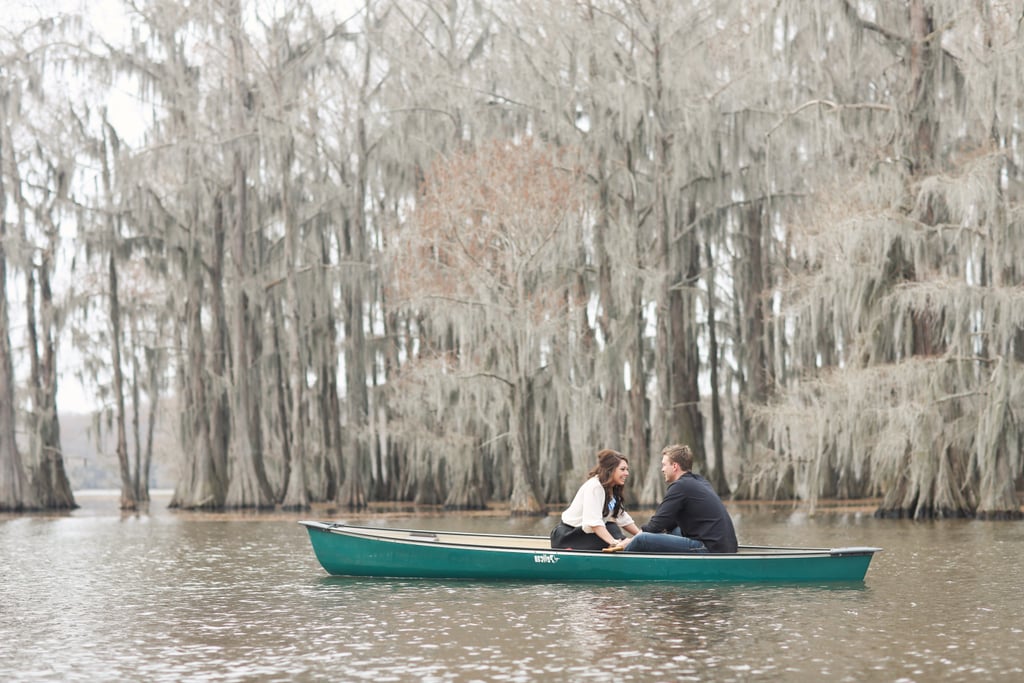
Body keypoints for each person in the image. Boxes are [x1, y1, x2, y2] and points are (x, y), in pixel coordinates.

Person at [612, 443, 737, 554]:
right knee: (674, 531)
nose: (662, 469)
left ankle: (620, 560)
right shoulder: (699, 481)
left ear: (675, 466)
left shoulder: (680, 486)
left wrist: (628, 542)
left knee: (642, 539)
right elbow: (667, 523)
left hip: (710, 548)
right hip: (726, 546)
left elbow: (655, 525)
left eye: (664, 465)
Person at [550, 449, 642, 551]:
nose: (627, 473)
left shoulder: (613, 488)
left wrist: (641, 536)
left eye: (627, 469)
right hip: (567, 536)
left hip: (585, 535)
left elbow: (622, 517)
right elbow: (594, 523)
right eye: (622, 469)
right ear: (610, 470)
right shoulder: (595, 486)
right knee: (614, 533)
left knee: (612, 528)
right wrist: (615, 542)